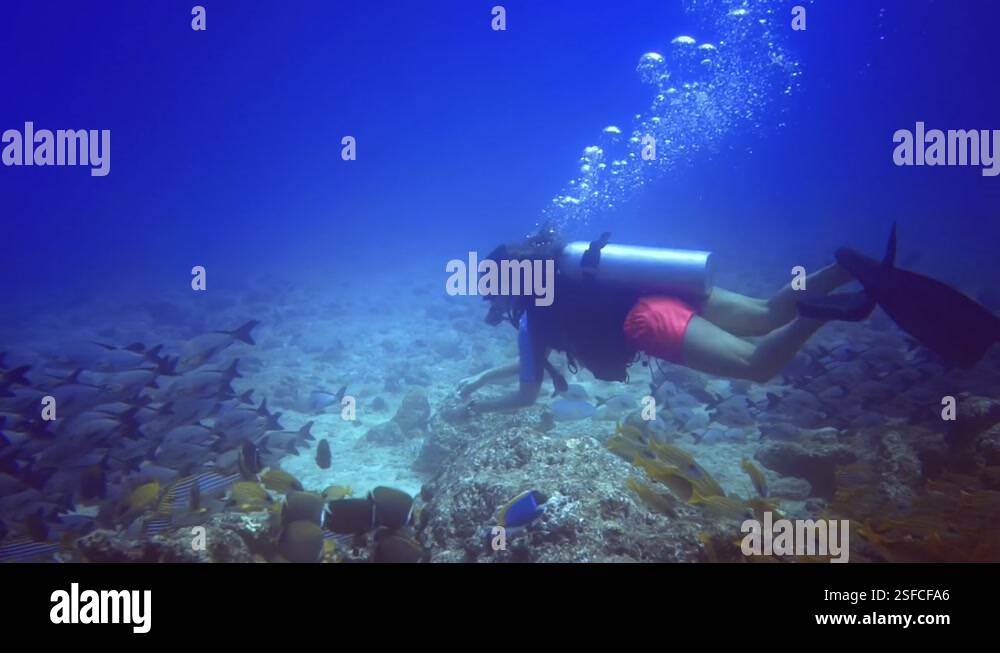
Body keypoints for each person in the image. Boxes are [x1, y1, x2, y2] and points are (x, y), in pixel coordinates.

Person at [459, 226, 856, 413]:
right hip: (659, 289)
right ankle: (844, 269)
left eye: (493, 291)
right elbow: (532, 360)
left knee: (758, 365)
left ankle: (819, 316)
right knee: (767, 314)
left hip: (648, 321)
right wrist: (481, 379)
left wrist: (480, 407)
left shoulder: (533, 317)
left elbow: (528, 391)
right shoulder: (567, 275)